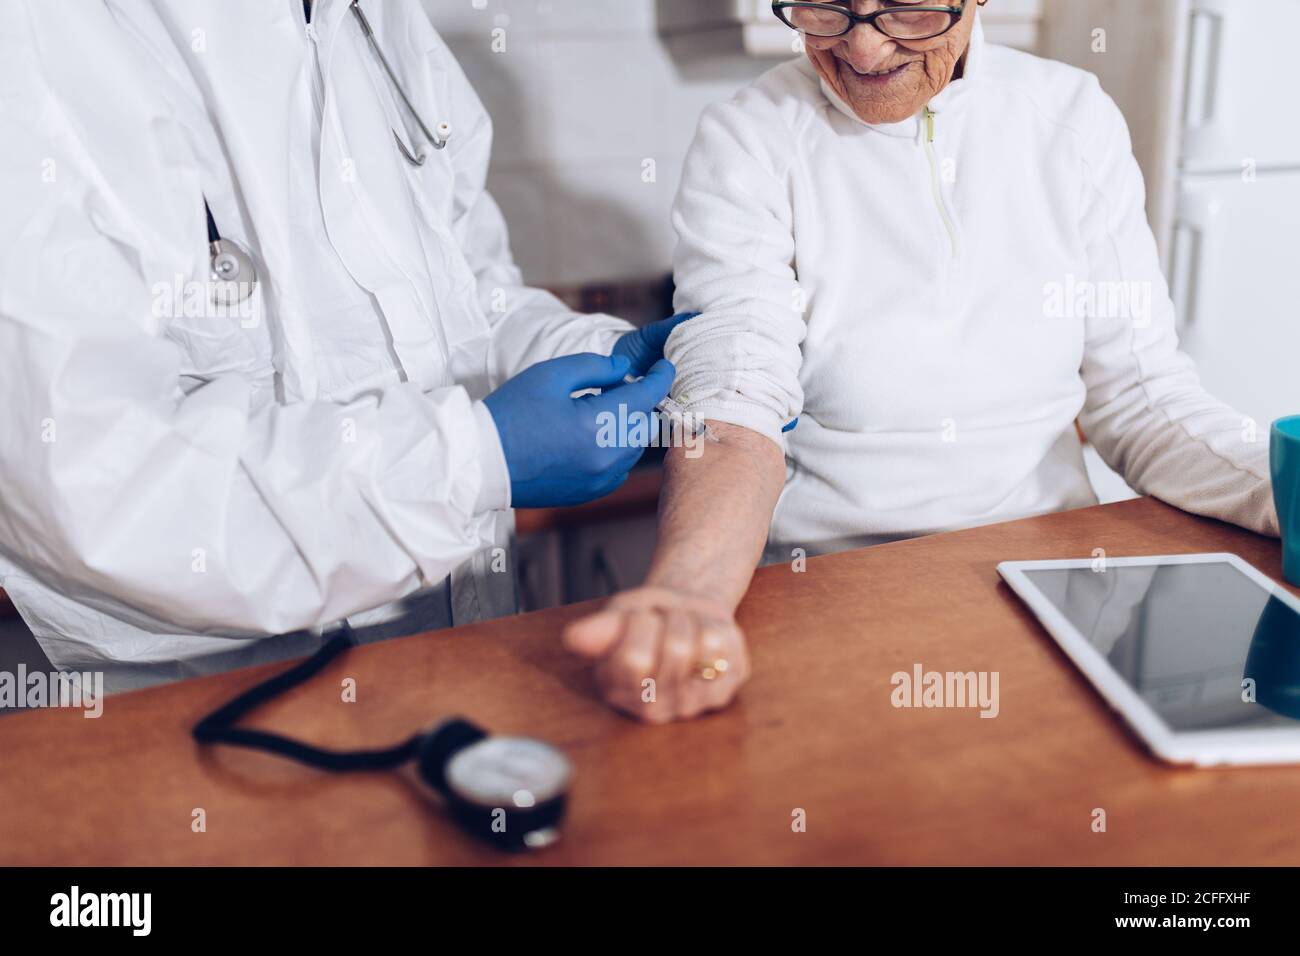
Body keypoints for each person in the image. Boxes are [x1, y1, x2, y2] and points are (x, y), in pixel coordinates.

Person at [564, 0, 1280, 722]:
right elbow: (734, 399)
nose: (865, 52)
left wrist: (1280, 491)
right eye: (826, 9)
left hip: (1053, 586)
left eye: (907, 11)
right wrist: (690, 593)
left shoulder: (1070, 117)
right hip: (829, 584)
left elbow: (1143, 399)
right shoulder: (750, 137)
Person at [0, 0, 683, 691]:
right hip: (217, 711)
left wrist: (596, 350)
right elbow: (100, 481)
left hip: (462, 658)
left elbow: (471, 289)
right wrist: (472, 461)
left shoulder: (380, 17)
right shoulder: (43, 32)